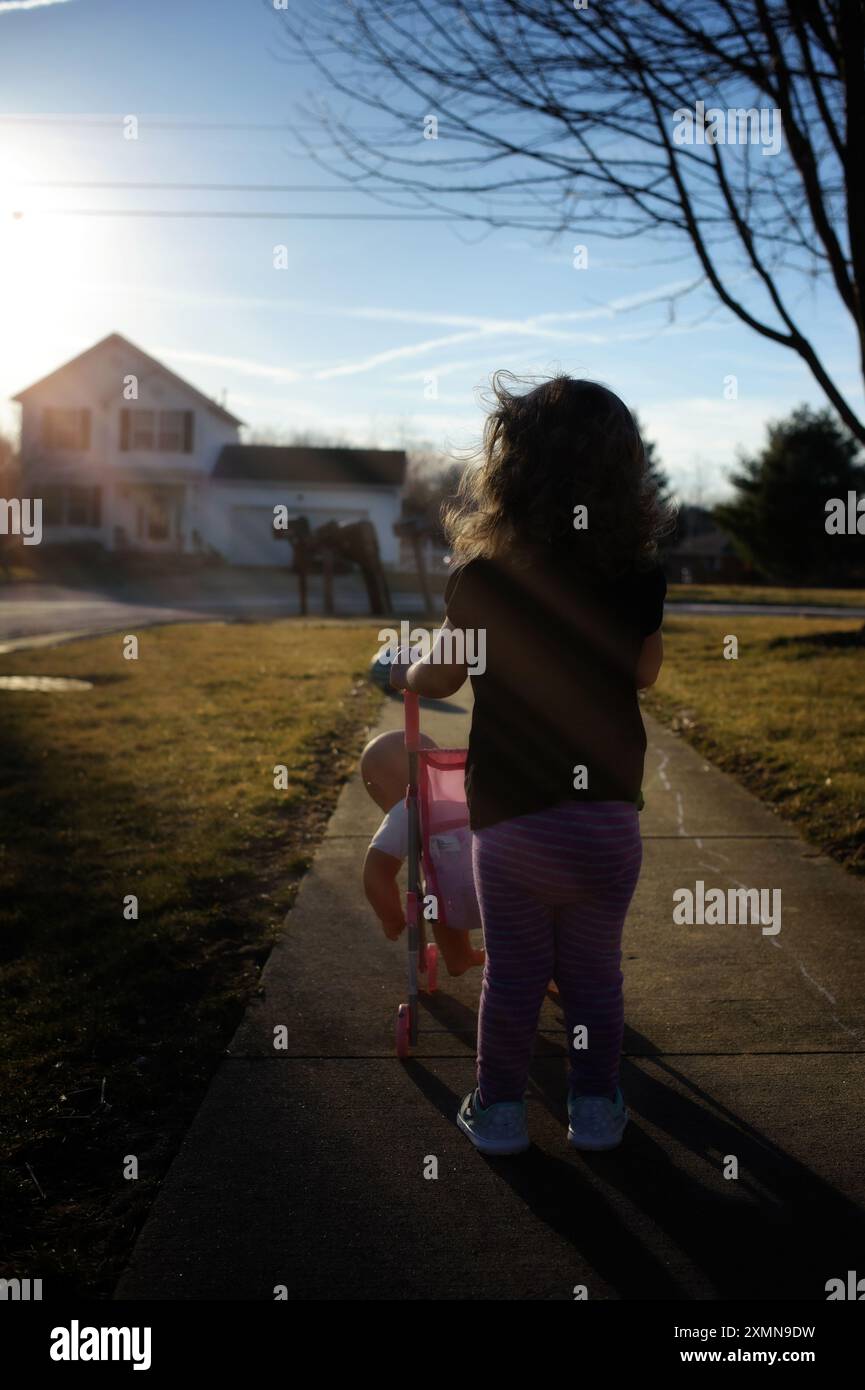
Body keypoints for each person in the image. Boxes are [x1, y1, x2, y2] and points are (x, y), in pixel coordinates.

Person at [389, 374, 670, 1155]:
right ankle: (594, 1109)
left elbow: (438, 678)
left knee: (513, 978)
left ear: (509, 472)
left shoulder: (482, 583)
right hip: (607, 820)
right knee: (592, 977)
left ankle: (502, 1112)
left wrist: (403, 671)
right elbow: (645, 674)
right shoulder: (638, 577)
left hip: (512, 821)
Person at [361, 730, 485, 976]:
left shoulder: (405, 809)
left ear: (377, 789)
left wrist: (391, 916)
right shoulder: (467, 792)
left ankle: (459, 957)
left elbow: (376, 871)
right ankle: (538, 966)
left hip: (450, 899)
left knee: (435, 896)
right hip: (497, 884)